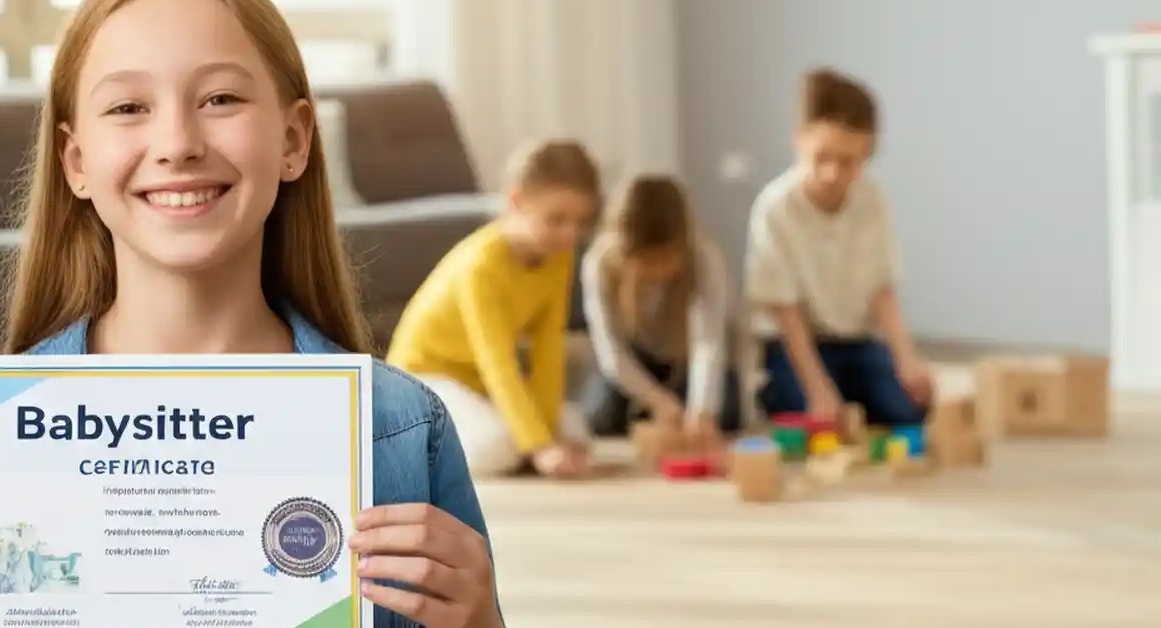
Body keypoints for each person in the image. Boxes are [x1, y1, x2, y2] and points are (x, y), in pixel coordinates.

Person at [0, 0, 523, 628]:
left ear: (294, 139)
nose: (178, 142)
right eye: (128, 106)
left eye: (220, 98)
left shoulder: (401, 428)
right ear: (77, 162)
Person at [386, 141, 601, 480]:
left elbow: (548, 349)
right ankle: (403, 445)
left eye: (579, 222)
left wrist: (548, 435)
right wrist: (539, 447)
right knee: (498, 446)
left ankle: (514, 443)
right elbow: (497, 362)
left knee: (574, 431)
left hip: (478, 383)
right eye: (556, 219)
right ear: (517, 201)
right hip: (427, 377)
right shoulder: (481, 266)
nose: (569, 235)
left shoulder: (557, 257)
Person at [745, 67, 934, 427]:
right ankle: (810, 393)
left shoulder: (874, 201)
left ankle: (852, 395)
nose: (832, 174)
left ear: (867, 154)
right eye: (822, 157)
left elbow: (883, 291)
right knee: (802, 406)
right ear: (798, 140)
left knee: (910, 409)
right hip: (798, 346)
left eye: (848, 162)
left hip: (856, 343)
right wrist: (816, 387)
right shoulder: (774, 208)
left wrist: (907, 359)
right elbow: (787, 312)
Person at [579, 175, 740, 446]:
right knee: (600, 418)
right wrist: (657, 400)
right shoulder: (599, 264)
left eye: (665, 259)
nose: (656, 271)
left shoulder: (704, 258)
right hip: (636, 359)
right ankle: (648, 413)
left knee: (728, 414)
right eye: (645, 261)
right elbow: (611, 353)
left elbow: (708, 343)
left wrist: (701, 409)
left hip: (684, 361)